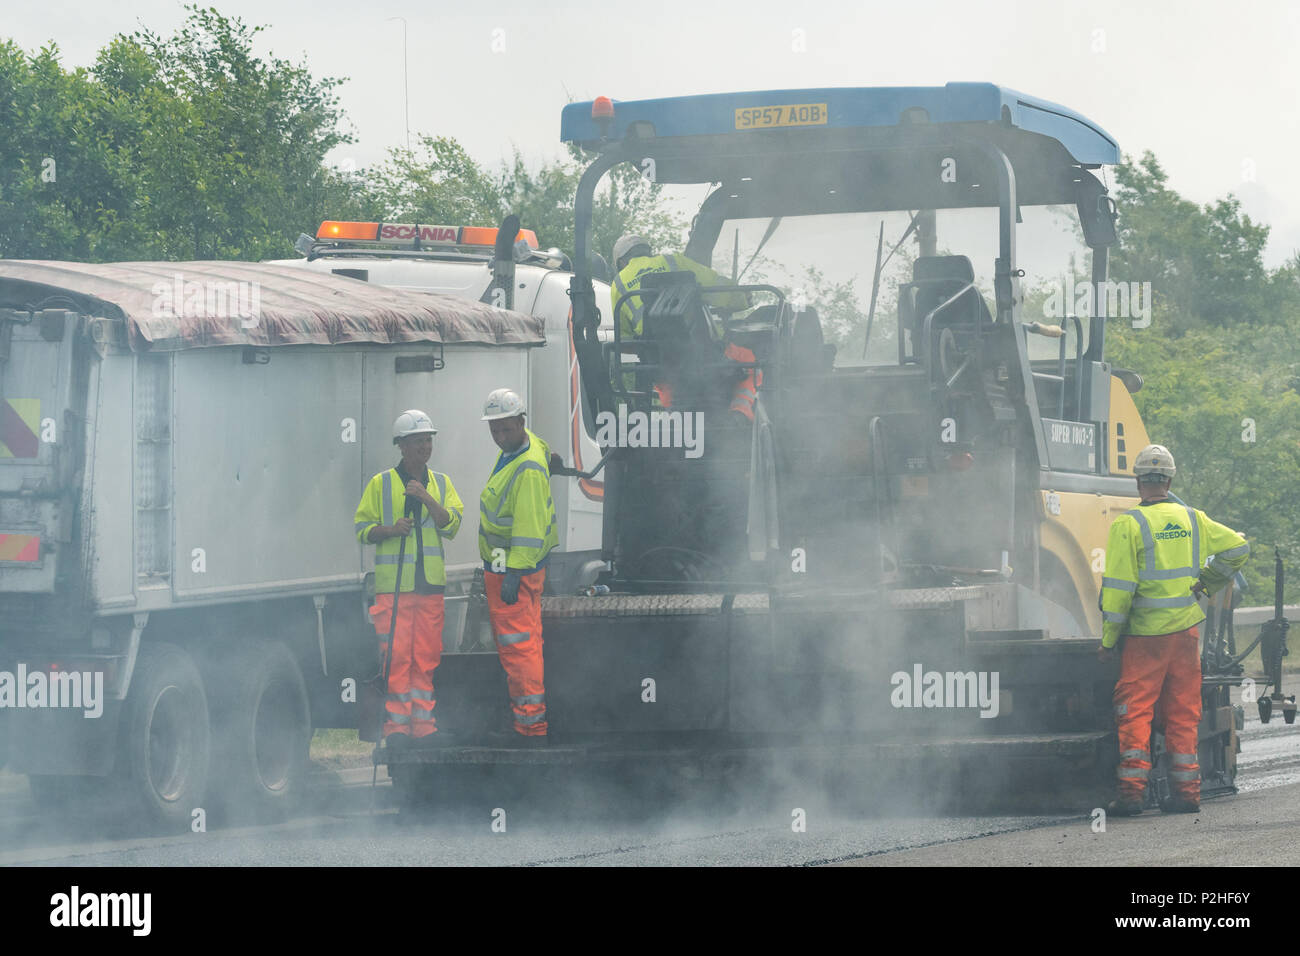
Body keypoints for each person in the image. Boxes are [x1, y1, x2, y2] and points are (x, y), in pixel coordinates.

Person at [1097, 443, 1249, 815]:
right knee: (1183, 711)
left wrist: (1108, 641)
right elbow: (1238, 548)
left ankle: (1132, 794)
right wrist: (1207, 583)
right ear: (1169, 479)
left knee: (1135, 711)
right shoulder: (1193, 518)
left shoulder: (1128, 524)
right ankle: (1186, 794)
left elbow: (1118, 592)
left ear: (1137, 482)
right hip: (1185, 635)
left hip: (1146, 638)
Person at [354, 410, 463, 749]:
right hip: (394, 588)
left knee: (426, 658)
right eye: (417, 441)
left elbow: (452, 525)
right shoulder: (381, 483)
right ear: (401, 446)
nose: (424, 447)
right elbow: (362, 529)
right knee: (397, 657)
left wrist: (426, 498)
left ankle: (423, 726)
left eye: (427, 440)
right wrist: (391, 530)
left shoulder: (441, 484)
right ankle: (397, 728)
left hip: (429, 586)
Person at [478, 388, 559, 744]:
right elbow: (542, 448)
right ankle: (528, 722)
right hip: (512, 569)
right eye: (494, 430)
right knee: (527, 644)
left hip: (511, 572)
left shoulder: (525, 469)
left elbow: (526, 528)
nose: (499, 436)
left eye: (505, 429)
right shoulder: (528, 448)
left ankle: (530, 727)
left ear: (521, 423)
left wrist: (513, 572)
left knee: (519, 649)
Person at [610, 234, 761, 421]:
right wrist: (742, 298)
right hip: (706, 357)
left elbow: (624, 341)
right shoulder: (673, 262)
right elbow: (718, 287)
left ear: (621, 262)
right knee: (751, 360)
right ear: (648, 252)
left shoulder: (618, 283)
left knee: (663, 379)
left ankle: (675, 418)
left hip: (663, 367)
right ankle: (740, 412)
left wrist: (652, 346)